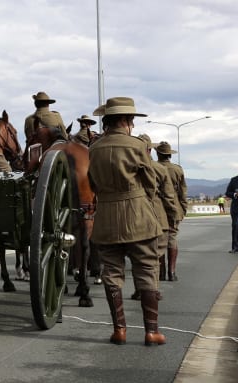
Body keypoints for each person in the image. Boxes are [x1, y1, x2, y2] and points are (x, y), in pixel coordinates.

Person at [88, 96, 165, 346]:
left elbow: (92, 183)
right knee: (146, 270)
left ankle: (119, 330)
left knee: (111, 274)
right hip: (138, 217)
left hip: (106, 219)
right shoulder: (136, 146)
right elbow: (151, 182)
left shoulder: (94, 147)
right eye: (131, 119)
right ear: (125, 120)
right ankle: (151, 331)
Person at [131, 135, 182, 300]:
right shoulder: (162, 169)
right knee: (154, 256)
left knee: (137, 255)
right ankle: (155, 287)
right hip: (159, 215)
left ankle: (139, 289)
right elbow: (170, 196)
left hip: (135, 214)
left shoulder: (129, 166)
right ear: (150, 150)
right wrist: (174, 214)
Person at [155, 141, 187, 281]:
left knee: (159, 239)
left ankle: (161, 272)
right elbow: (183, 192)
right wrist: (183, 208)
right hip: (175, 206)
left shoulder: (153, 167)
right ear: (169, 155)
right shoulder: (177, 169)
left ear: (158, 153)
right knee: (172, 238)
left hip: (157, 207)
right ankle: (172, 272)